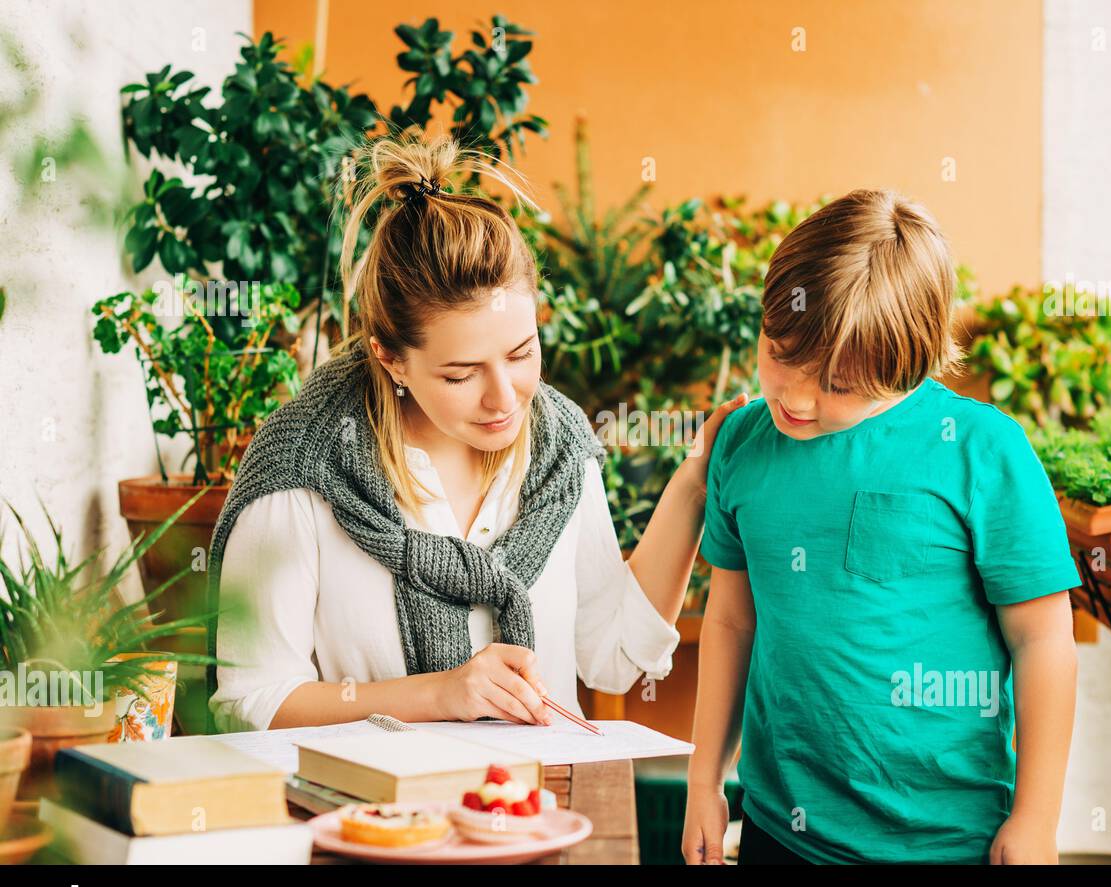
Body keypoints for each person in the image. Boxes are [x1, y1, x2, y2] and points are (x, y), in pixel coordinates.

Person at [206, 127, 744, 734]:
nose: (505, 397)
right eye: (460, 375)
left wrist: (695, 485)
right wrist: (440, 694)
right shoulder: (301, 468)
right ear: (391, 358)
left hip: (538, 818)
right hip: (373, 823)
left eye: (521, 354)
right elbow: (248, 702)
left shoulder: (561, 449)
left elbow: (613, 659)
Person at [683, 189, 1080, 864]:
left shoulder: (982, 451)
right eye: (781, 354)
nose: (798, 398)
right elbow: (730, 620)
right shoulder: (743, 444)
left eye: (838, 385)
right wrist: (703, 777)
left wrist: (1036, 818)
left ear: (909, 369)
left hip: (948, 841)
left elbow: (1043, 638)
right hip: (783, 832)